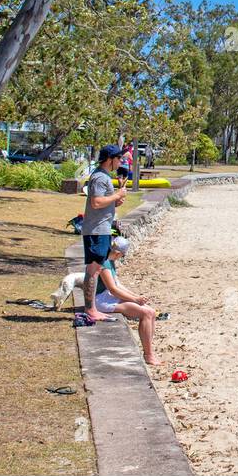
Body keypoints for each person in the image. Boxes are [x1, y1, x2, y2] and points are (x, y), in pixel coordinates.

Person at [94, 237, 163, 366]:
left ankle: (149, 350)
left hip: (107, 296)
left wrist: (137, 297)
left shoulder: (110, 261)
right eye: (123, 255)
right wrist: (134, 299)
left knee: (151, 312)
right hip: (101, 300)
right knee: (146, 313)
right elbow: (113, 289)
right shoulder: (104, 263)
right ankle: (148, 355)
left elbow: (118, 285)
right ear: (118, 253)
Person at [82, 144, 126, 323]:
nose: (121, 162)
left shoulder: (105, 177)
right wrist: (116, 195)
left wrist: (117, 200)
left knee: (96, 268)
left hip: (102, 229)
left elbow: (104, 203)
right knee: (93, 270)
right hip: (96, 230)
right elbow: (96, 202)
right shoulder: (100, 177)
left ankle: (91, 308)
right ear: (110, 159)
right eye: (119, 158)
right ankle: (91, 310)